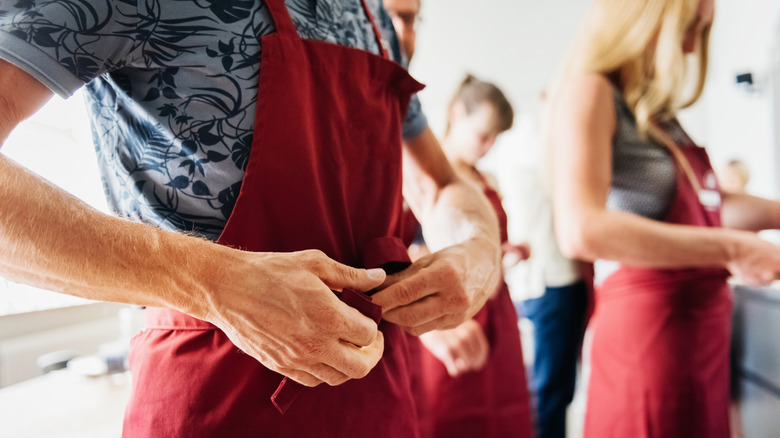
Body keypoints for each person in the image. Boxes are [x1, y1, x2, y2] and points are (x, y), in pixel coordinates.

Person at [0, 1, 504, 436]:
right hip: (217, 403)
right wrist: (214, 283)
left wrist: (479, 249)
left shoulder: (374, 15)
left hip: (381, 400)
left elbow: (440, 183)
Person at [549, 0, 780, 437]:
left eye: (701, 31)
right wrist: (733, 249)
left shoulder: (655, 111)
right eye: (688, 27)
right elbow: (581, 228)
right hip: (650, 342)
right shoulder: (591, 91)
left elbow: (708, 204)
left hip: (698, 341)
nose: (691, 47)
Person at [412, 74, 534, 438]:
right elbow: (412, 250)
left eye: (495, 138)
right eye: (483, 135)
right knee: (452, 414)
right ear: (456, 114)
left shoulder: (487, 179)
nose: (487, 146)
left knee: (505, 412)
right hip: (452, 312)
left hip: (498, 310)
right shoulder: (421, 175)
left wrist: (503, 252)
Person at [508, 91, 590, 438]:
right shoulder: (537, 145)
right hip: (552, 284)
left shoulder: (531, 144)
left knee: (554, 387)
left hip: (550, 282)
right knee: (550, 390)